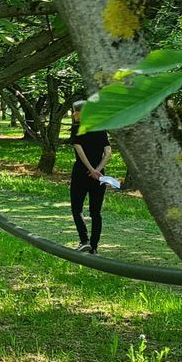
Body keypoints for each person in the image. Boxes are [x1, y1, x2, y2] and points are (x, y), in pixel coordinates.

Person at [69, 101, 110, 253]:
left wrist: (90, 169)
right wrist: (98, 170)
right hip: (99, 177)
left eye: (75, 111)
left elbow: (79, 151)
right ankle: (94, 247)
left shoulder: (76, 129)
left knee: (76, 209)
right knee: (96, 213)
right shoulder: (101, 129)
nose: (74, 114)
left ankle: (84, 240)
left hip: (81, 173)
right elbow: (108, 153)